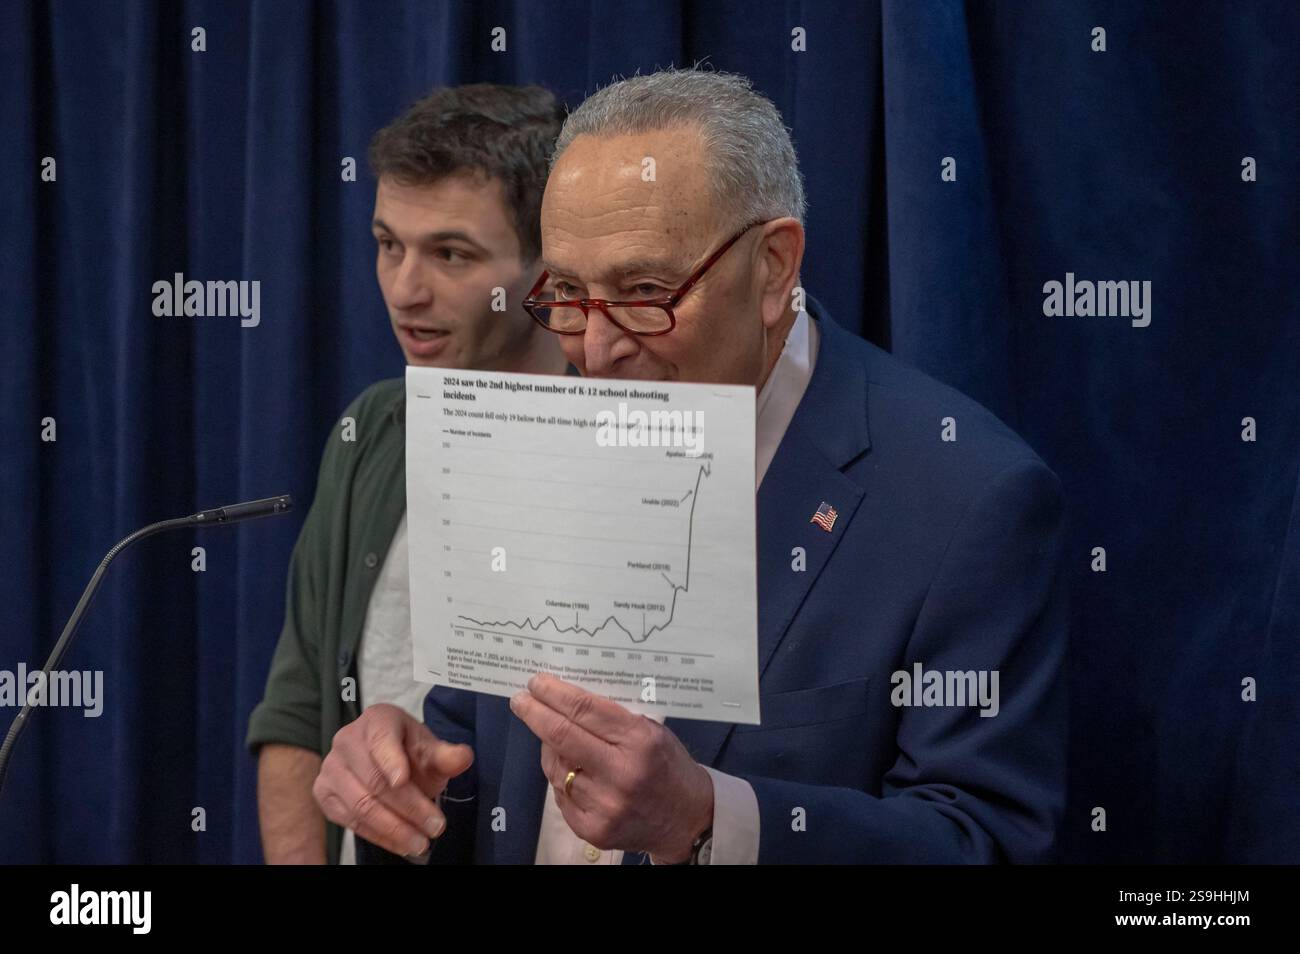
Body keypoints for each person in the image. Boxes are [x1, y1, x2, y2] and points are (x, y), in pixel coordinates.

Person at [313, 67, 1069, 864]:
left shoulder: (966, 497)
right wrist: (406, 777)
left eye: (645, 291)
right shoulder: (535, 430)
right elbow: (472, 750)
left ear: (774, 266)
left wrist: (711, 820)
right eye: (567, 293)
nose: (596, 354)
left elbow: (981, 842)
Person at [246, 84, 568, 864]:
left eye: (450, 254)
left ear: (546, 265)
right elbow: (294, 721)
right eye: (389, 244)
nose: (403, 290)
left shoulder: (627, 443)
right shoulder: (372, 431)